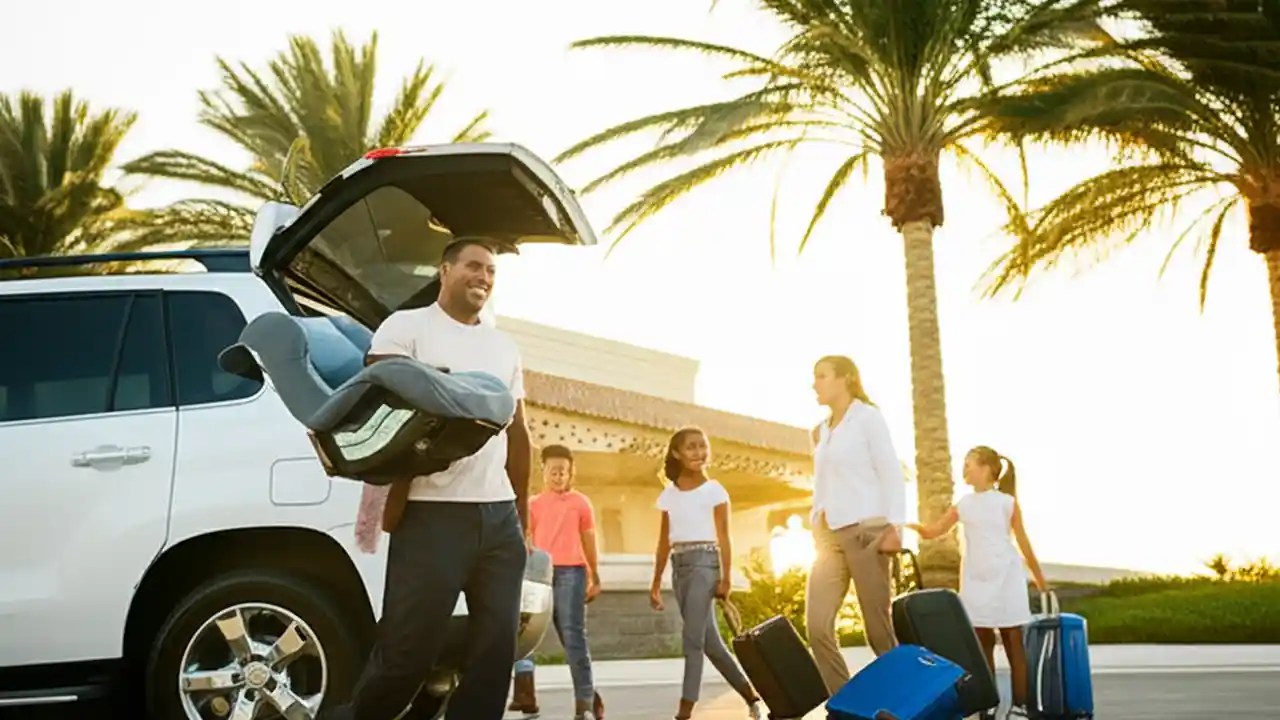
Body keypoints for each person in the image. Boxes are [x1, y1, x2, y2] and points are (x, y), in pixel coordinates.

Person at [326, 238, 533, 720]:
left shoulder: (503, 345)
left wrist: (522, 515)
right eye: (473, 266)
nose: (483, 277)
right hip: (431, 515)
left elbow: (519, 433)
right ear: (444, 270)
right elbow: (377, 401)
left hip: (498, 518)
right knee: (406, 656)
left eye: (491, 271)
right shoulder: (407, 328)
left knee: (494, 656)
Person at [907, 446, 1049, 718]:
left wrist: (1040, 580)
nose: (965, 469)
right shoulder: (964, 504)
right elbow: (934, 531)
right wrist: (912, 527)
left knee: (1013, 644)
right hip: (976, 581)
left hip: (1006, 578)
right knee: (982, 645)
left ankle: (1021, 706)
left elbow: (1023, 543)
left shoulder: (1007, 503)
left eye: (969, 464)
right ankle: (989, 705)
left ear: (987, 469)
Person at [805, 355, 907, 693]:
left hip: (869, 532)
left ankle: (902, 705)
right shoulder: (821, 430)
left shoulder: (868, 418)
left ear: (845, 378)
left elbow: (890, 471)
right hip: (829, 536)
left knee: (878, 631)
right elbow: (823, 481)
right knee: (817, 626)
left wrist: (896, 526)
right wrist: (816, 514)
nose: (815, 383)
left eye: (822, 376)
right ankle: (846, 702)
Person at [649, 427, 764, 720]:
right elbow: (664, 542)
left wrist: (726, 578)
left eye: (703, 446)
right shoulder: (669, 495)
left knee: (692, 640)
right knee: (711, 643)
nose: (699, 452)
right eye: (691, 447)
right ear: (677, 452)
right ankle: (751, 695)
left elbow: (725, 537)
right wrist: (655, 583)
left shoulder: (715, 491)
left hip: (705, 565)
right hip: (680, 567)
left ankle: (684, 712)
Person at [508, 444, 606, 720]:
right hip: (539, 575)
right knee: (524, 634)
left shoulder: (580, 503)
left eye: (563, 471)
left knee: (573, 638)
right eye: (554, 471)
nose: (559, 476)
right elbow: (525, 541)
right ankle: (526, 695)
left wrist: (594, 574)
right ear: (544, 471)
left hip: (571, 574)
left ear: (571, 472)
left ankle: (584, 703)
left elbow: (589, 539)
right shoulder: (533, 504)